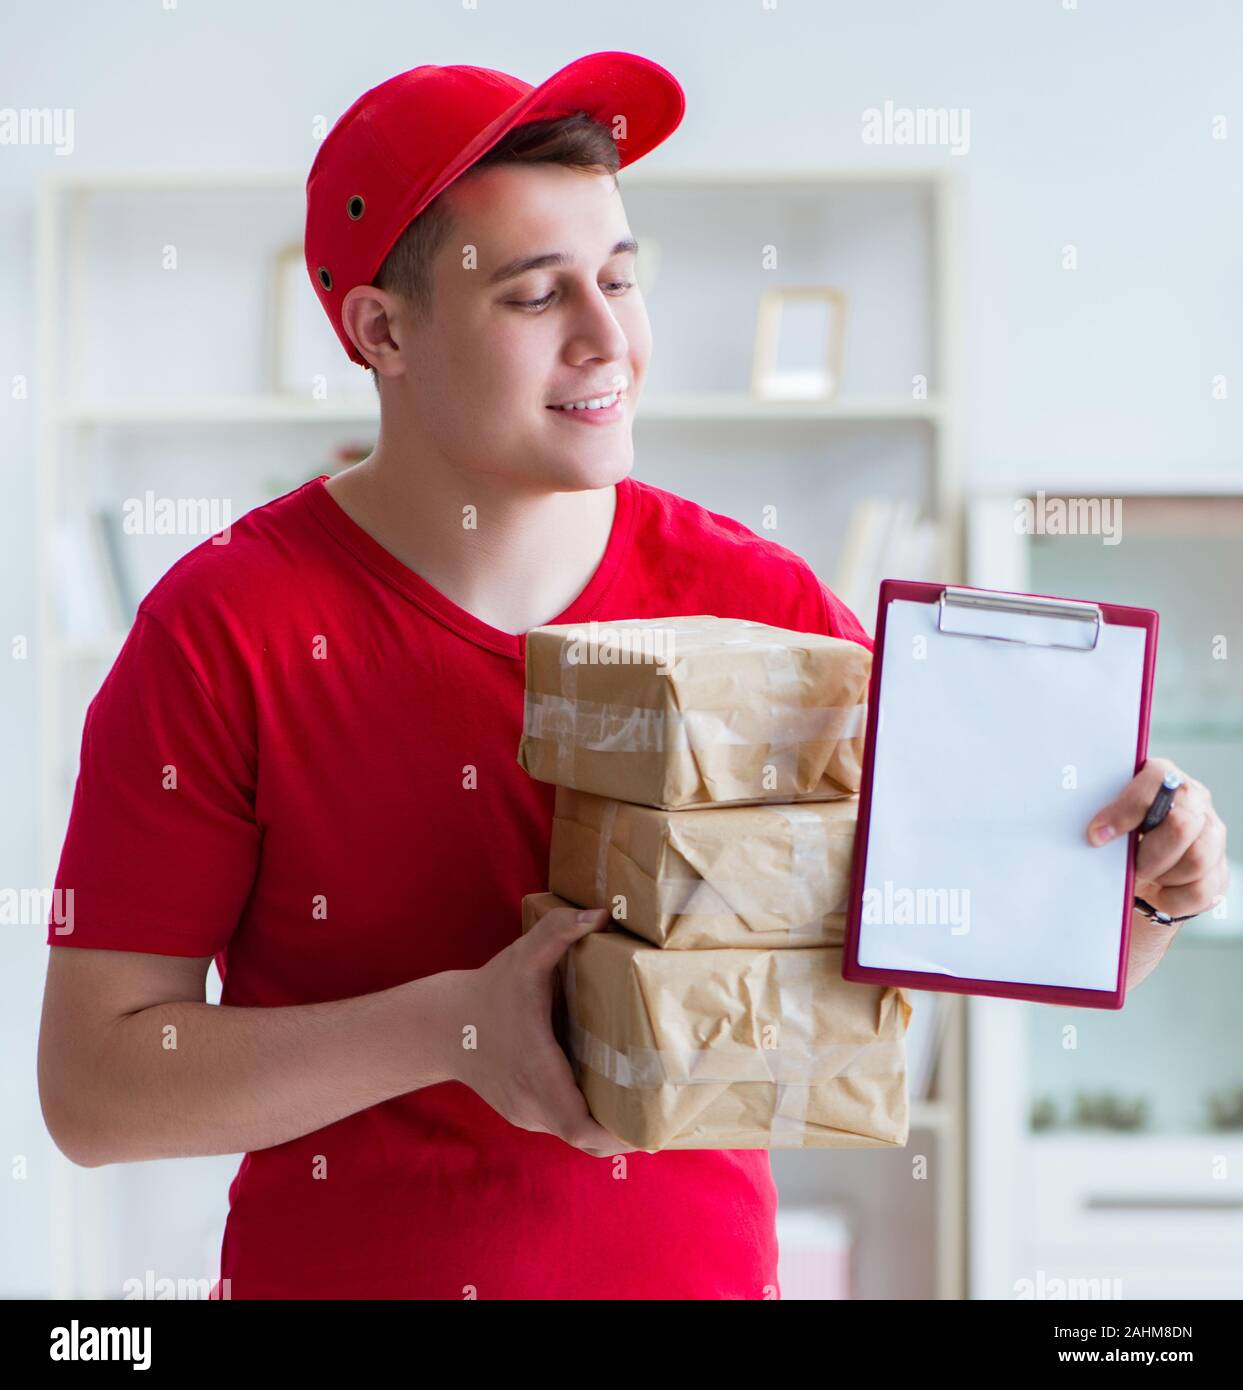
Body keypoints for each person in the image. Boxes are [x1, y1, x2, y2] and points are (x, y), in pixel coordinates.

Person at [37, 53, 1227, 1301]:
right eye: (535, 295)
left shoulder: (762, 602)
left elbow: (967, 948)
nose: (608, 339)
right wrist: (449, 1026)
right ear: (380, 331)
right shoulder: (222, 630)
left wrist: (1140, 897)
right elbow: (96, 1091)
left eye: (618, 279)